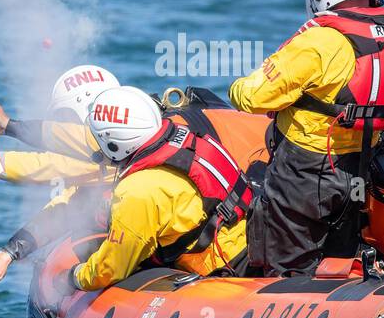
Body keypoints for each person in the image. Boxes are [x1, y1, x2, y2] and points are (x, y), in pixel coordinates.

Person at [229, 0, 384, 275]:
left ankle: (285, 312)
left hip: (304, 171)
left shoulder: (319, 42)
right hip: (362, 168)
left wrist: (237, 86)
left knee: (286, 264)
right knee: (340, 258)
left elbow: (253, 97)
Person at [0, 65, 119, 287]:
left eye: (65, 120)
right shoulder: (127, 135)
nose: (63, 127)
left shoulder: (108, 152)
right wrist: (8, 254)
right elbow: (67, 207)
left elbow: (44, 166)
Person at [68, 86, 252, 291]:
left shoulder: (137, 191)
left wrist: (77, 276)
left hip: (224, 269)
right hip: (249, 241)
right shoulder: (187, 140)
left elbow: (110, 269)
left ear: (113, 143)